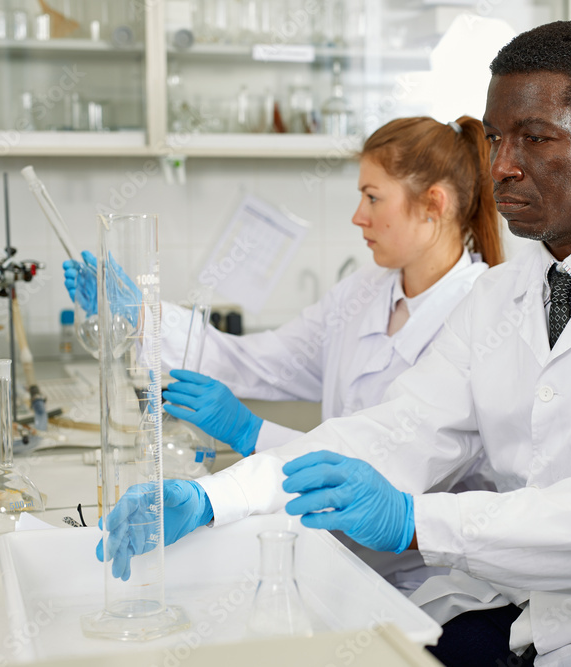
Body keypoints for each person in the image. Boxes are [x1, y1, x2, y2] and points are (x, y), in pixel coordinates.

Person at [100, 21, 571, 666]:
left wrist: (414, 519)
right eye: (496, 139)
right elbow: (395, 429)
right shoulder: (503, 296)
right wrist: (216, 497)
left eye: (535, 139)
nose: (501, 168)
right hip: (533, 614)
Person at [67, 114, 503, 589]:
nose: (358, 215)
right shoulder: (363, 292)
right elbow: (261, 362)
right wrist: (141, 316)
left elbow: (389, 459)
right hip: (332, 553)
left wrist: (253, 434)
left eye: (373, 197)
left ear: (432, 205)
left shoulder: (482, 312)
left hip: (432, 586)